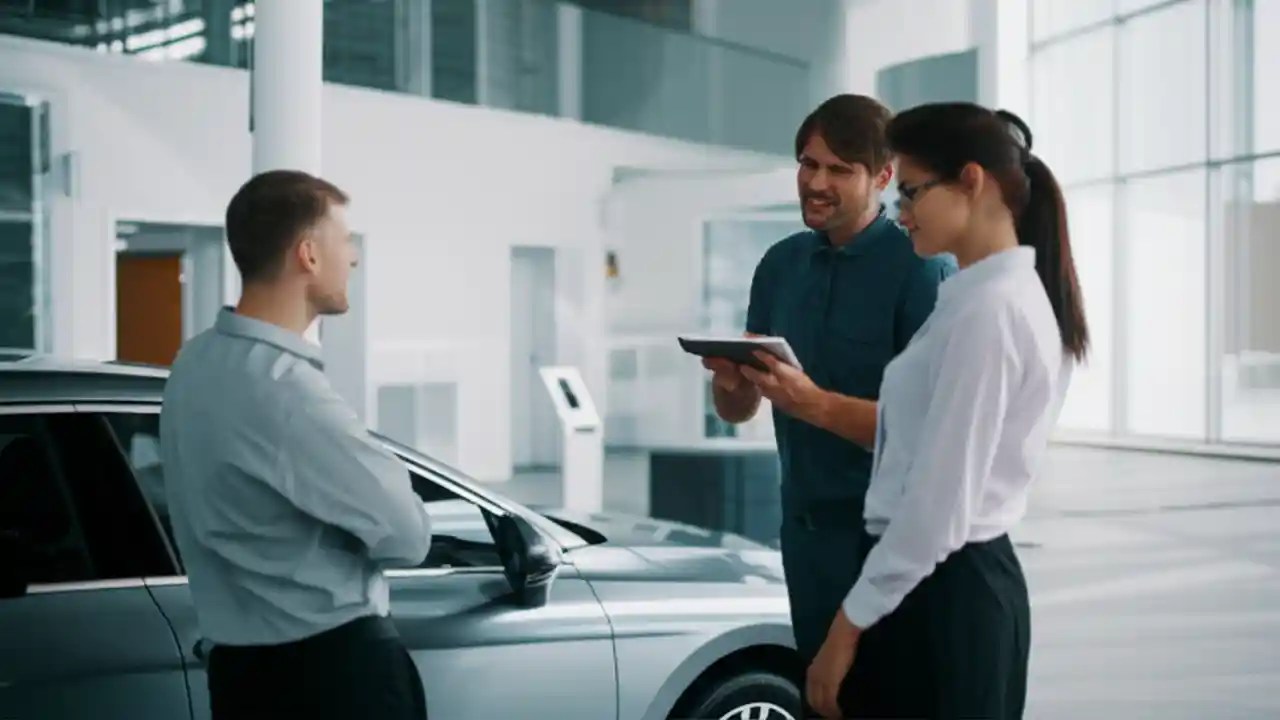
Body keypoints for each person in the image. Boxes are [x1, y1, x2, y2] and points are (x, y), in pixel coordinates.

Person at [803, 104, 1089, 719]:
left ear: (971, 180)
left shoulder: (989, 313)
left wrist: (844, 630)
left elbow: (937, 506)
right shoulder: (986, 298)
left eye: (910, 191)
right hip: (945, 585)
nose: (900, 211)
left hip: (941, 592)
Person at [160, 170, 433, 718]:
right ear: (308, 254)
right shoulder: (286, 390)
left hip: (241, 679)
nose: (352, 258)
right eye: (345, 240)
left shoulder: (192, 364)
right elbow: (409, 535)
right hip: (332, 677)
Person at [703, 94, 956, 682]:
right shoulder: (779, 265)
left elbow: (928, 433)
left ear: (884, 176)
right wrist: (731, 382)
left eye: (840, 170)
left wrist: (806, 401)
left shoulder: (921, 269)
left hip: (889, 542)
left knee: (883, 698)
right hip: (804, 535)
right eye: (808, 163)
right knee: (820, 695)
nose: (816, 182)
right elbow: (738, 411)